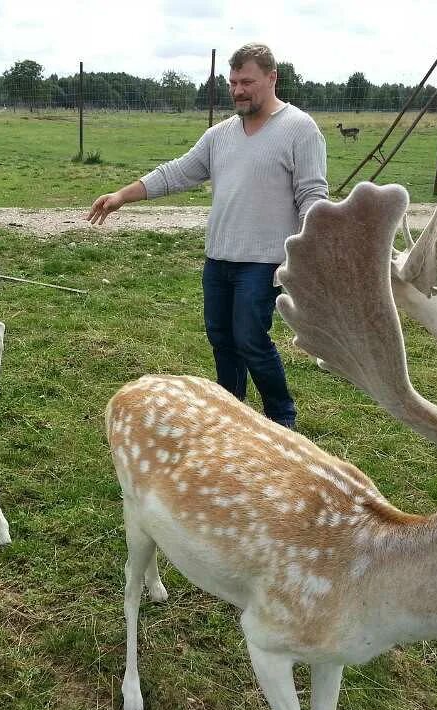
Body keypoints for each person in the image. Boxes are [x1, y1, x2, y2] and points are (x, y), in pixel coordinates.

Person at [87, 43, 328, 429]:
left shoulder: (300, 129)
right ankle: (230, 417)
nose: (237, 90)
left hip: (265, 262)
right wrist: (122, 196)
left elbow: (313, 197)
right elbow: (177, 172)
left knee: (250, 339)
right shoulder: (221, 135)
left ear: (271, 78)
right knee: (221, 338)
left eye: (246, 82)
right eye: (232, 83)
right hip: (219, 259)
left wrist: (301, 257)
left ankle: (282, 420)